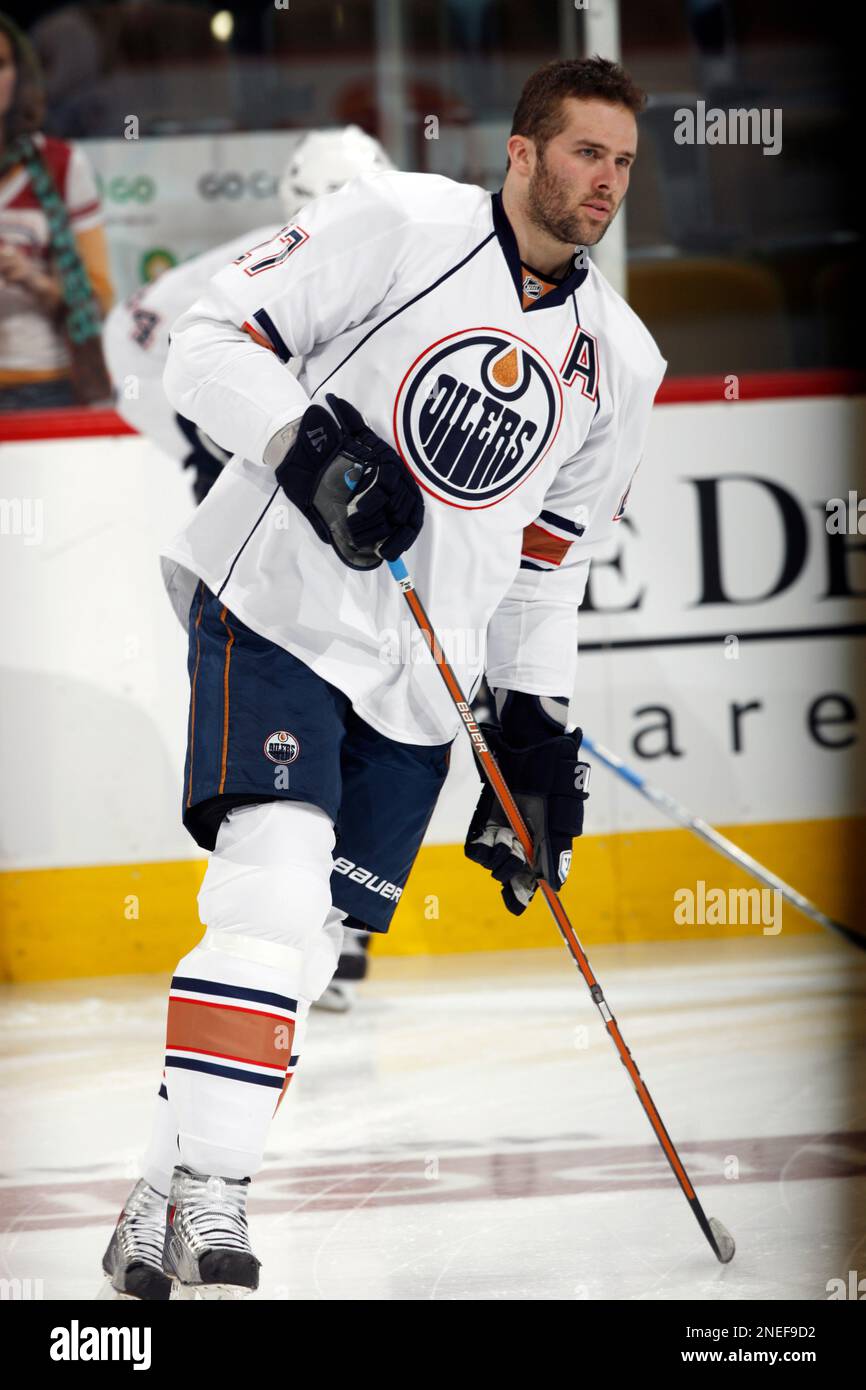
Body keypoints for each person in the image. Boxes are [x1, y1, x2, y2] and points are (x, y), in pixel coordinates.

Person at [100, 56, 666, 1301]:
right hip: (281, 610)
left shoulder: (619, 365)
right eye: (582, 153)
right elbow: (207, 343)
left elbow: (543, 572)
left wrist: (531, 728)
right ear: (519, 153)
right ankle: (217, 1196)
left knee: (301, 947)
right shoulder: (398, 223)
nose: (604, 183)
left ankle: (152, 1195)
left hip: (420, 681)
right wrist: (307, 444)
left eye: (622, 162)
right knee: (268, 890)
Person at [0, 13, 112, 410]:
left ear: (20, 76)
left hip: (47, 388)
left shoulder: (61, 164)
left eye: (1, 64)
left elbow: (99, 300)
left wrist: (32, 279)